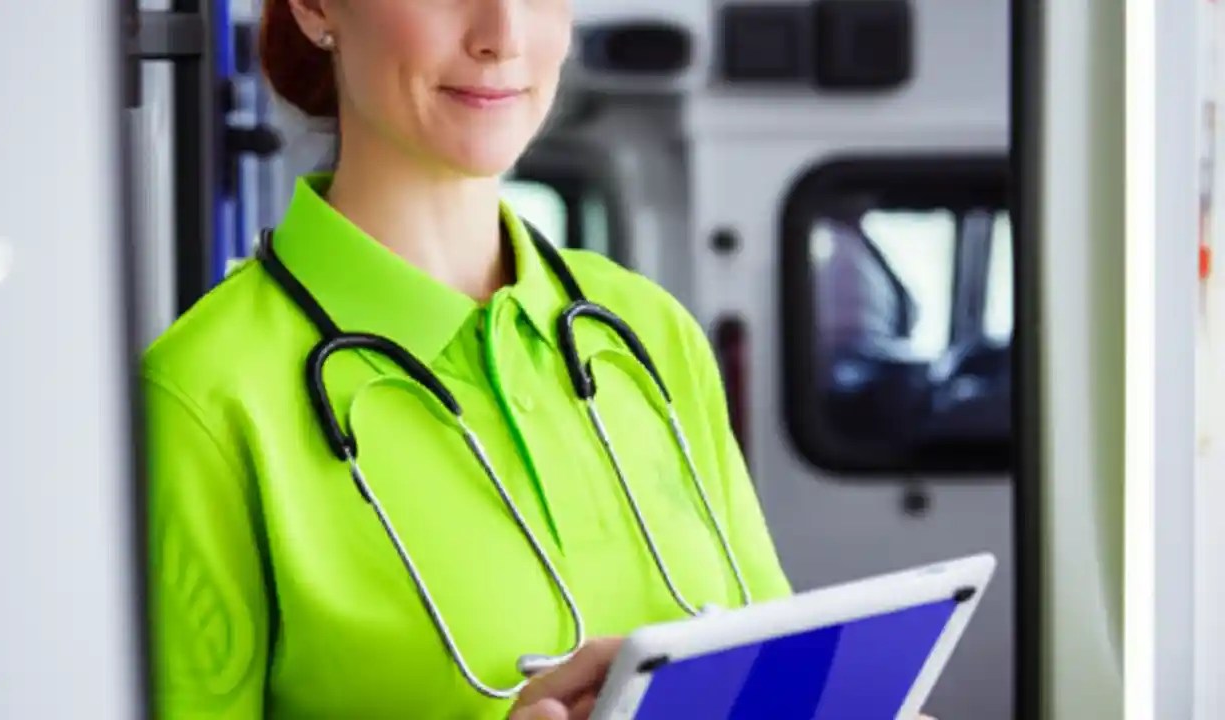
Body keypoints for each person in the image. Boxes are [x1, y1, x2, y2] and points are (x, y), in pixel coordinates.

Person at [141, 1, 932, 717]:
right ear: (316, 7)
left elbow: (775, 677)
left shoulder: (645, 333)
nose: (503, 35)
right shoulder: (201, 399)